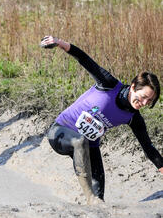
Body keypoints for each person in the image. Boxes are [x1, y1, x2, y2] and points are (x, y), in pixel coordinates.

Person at [41, 35, 163, 205]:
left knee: (99, 198)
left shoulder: (134, 118)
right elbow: (84, 59)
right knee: (80, 141)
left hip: (90, 145)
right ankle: (89, 197)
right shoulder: (109, 84)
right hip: (60, 132)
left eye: (149, 102)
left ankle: (94, 209)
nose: (143, 103)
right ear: (133, 87)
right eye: (142, 97)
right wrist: (59, 43)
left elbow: (148, 148)